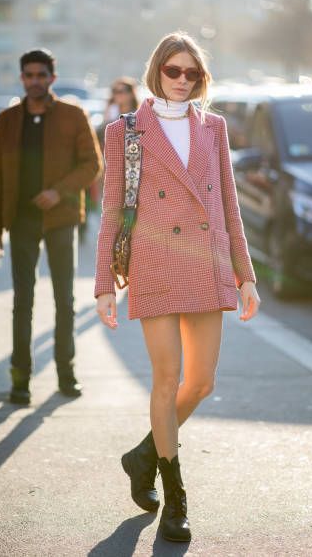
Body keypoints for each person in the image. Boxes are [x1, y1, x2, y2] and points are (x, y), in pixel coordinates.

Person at [95, 32, 260, 542]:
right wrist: (105, 284)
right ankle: (175, 498)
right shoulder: (125, 131)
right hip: (156, 264)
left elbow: (228, 204)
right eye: (174, 71)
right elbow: (111, 212)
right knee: (166, 380)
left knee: (202, 383)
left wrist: (246, 273)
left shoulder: (213, 127)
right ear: (156, 72)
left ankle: (142, 455)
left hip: (206, 264)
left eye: (193, 72)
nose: (183, 80)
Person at [0, 48, 102, 405]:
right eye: (29, 75)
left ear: (52, 78)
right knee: (22, 301)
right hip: (21, 220)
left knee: (64, 300)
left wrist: (60, 191)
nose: (35, 81)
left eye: (42, 75)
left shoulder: (73, 115)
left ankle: (65, 372)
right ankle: (20, 379)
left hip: (60, 219)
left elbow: (92, 164)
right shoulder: (8, 119)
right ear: (22, 78)